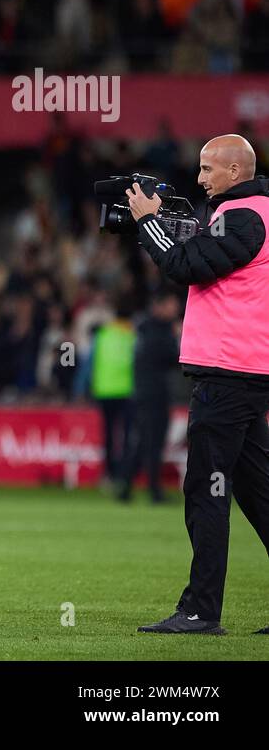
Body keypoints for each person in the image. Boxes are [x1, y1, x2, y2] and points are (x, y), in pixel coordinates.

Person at [129, 134, 269, 635]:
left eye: (210, 169)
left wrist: (149, 221)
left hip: (227, 374)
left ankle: (200, 610)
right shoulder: (254, 215)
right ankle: (201, 607)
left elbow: (185, 267)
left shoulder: (246, 214)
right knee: (259, 493)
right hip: (247, 372)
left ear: (236, 172)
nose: (201, 178)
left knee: (207, 492)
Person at [120, 290, 182, 504]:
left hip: (145, 393)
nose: (175, 309)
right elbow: (174, 358)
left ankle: (125, 487)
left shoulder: (145, 329)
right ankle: (154, 491)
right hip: (154, 394)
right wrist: (178, 337)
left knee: (144, 442)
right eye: (172, 304)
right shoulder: (159, 331)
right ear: (159, 306)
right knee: (153, 442)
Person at [90, 300, 136, 489]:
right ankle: (123, 476)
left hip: (104, 390)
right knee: (126, 436)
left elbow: (89, 363)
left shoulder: (102, 335)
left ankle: (108, 474)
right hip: (127, 391)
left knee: (109, 435)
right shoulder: (133, 335)